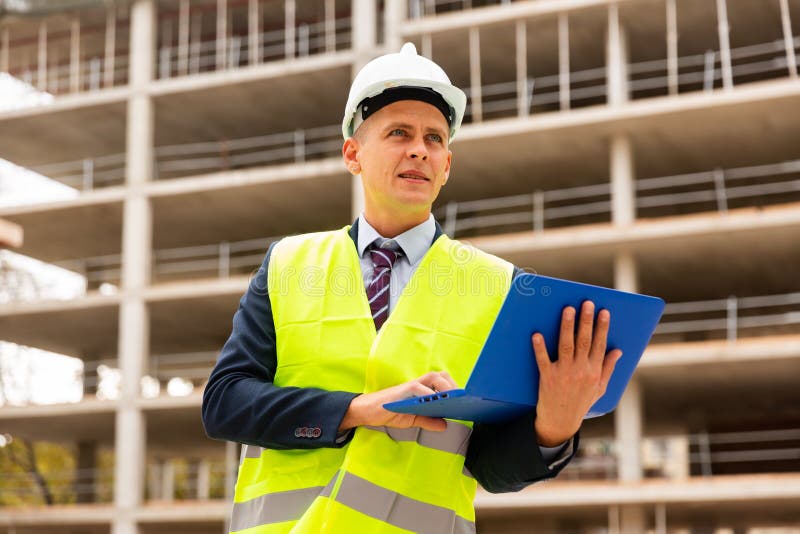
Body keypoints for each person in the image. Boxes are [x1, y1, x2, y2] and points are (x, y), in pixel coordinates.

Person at [202, 42, 622, 534]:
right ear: (353, 154)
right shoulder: (289, 264)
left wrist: (555, 426)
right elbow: (225, 403)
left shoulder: (499, 286)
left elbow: (489, 466)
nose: (419, 149)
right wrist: (358, 411)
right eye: (399, 132)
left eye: (434, 139)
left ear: (446, 166)